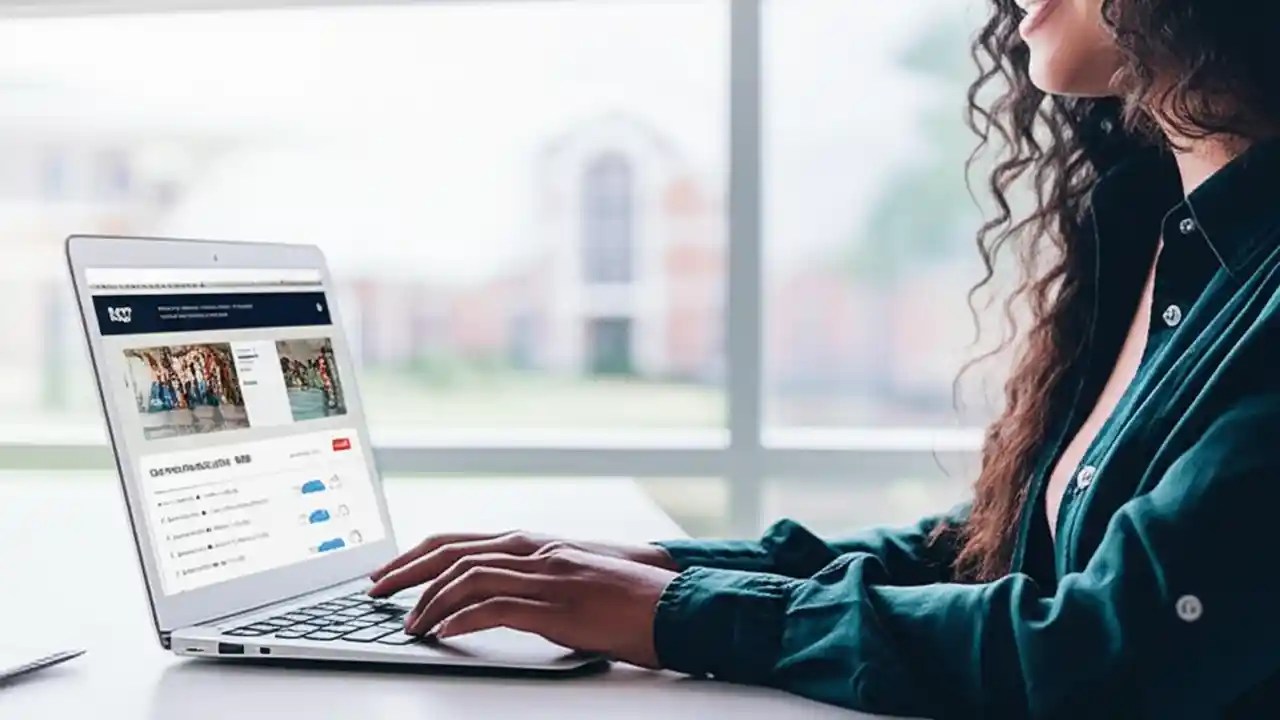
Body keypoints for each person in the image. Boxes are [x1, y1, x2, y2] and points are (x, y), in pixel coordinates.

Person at [368, 1, 1280, 716]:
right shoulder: (1146, 229)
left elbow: (1103, 649)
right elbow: (984, 557)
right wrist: (649, 569)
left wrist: (675, 613)